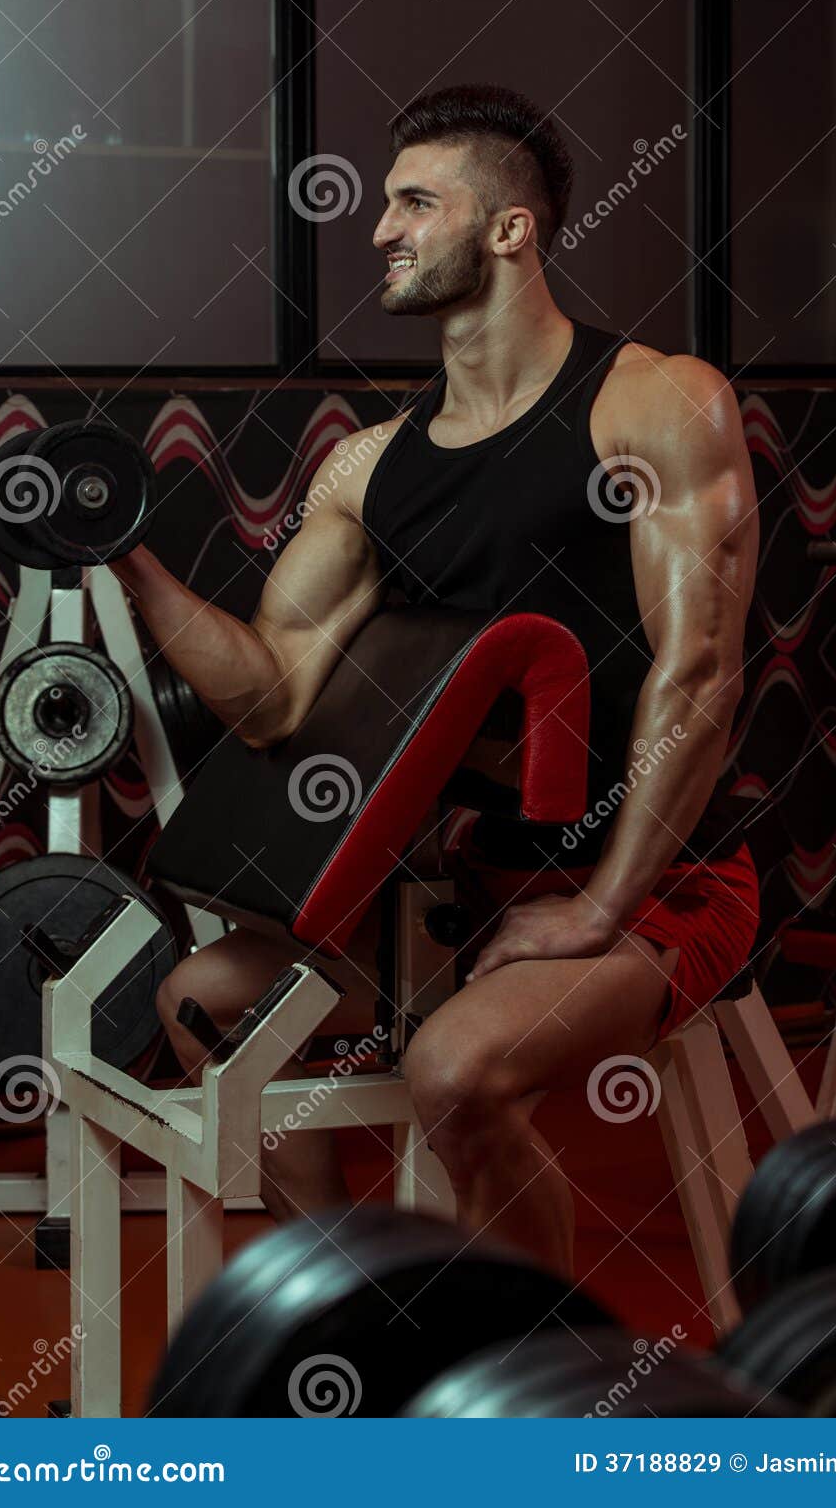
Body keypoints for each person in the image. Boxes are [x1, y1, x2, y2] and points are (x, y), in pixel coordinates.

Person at [112, 84, 759, 1278]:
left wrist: (601, 905)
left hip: (661, 880)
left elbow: (699, 672)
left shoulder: (654, 401)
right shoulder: (370, 466)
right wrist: (124, 553)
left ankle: (536, 1392)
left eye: (414, 201)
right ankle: (382, 1315)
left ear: (508, 229)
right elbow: (269, 693)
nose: (379, 230)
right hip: (453, 892)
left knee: (452, 1068)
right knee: (202, 1002)